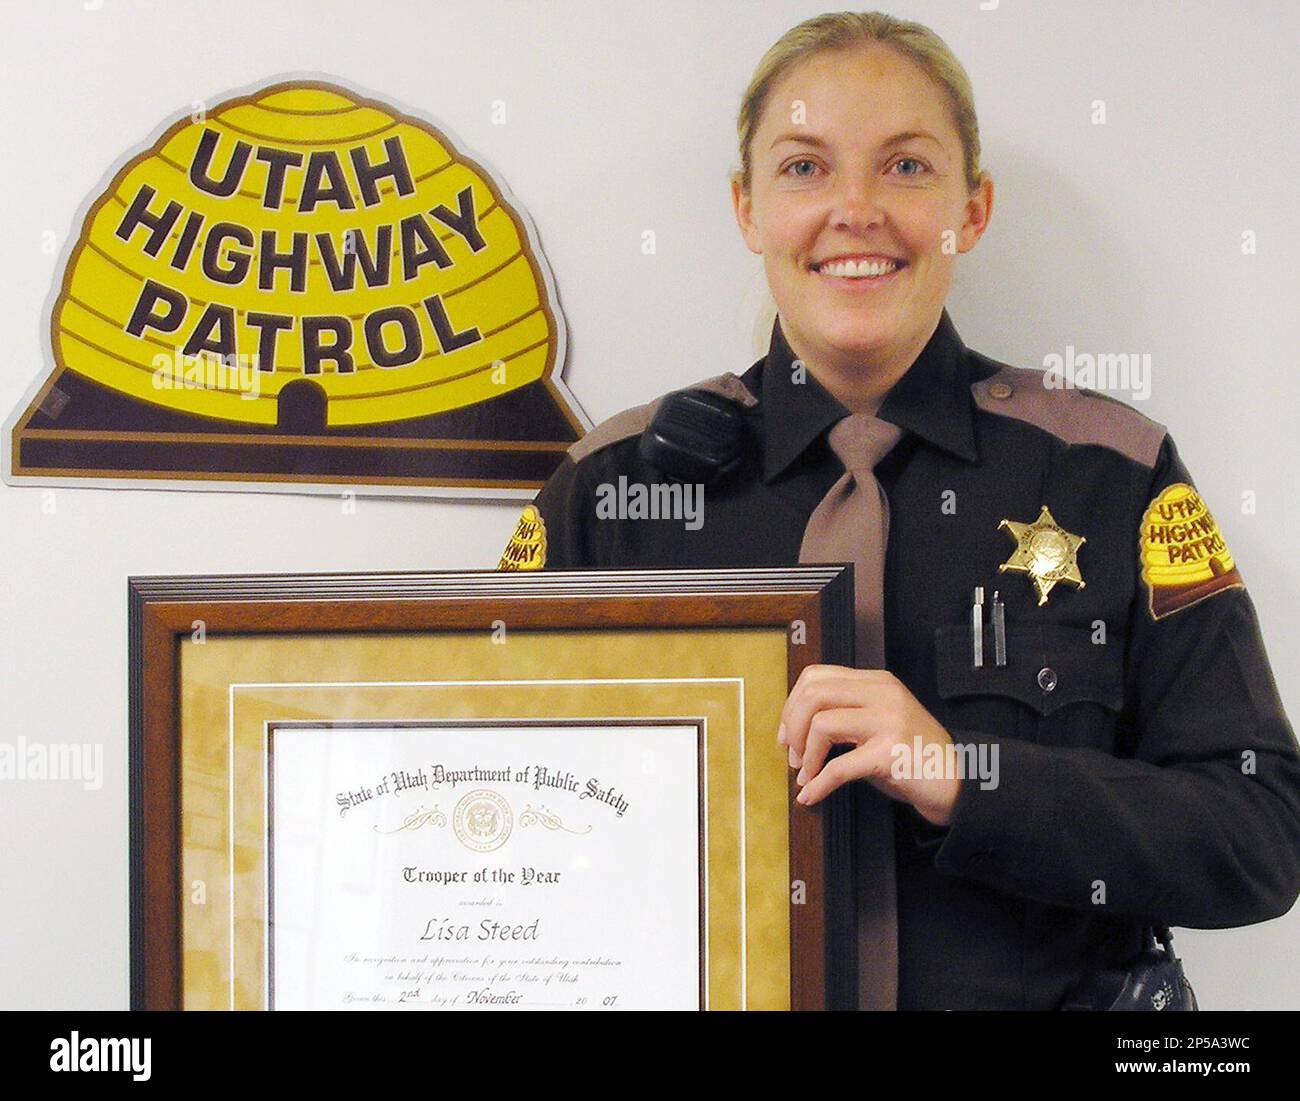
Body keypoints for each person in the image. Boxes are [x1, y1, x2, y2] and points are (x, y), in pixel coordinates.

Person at [497, 10, 1300, 1009]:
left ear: (974, 206)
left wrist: (971, 778)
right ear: (746, 211)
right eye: (803, 168)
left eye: (907, 167)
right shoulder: (610, 495)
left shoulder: (1112, 474)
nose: (856, 209)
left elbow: (1257, 836)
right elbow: (497, 815)